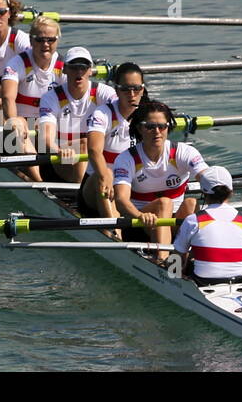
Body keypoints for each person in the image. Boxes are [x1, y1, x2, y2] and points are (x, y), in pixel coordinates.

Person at [111, 100, 208, 259]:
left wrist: (218, 190)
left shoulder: (183, 152)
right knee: (164, 203)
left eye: (162, 126)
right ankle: (164, 262)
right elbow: (121, 200)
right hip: (140, 225)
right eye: (150, 126)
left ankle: (184, 260)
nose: (157, 131)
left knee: (191, 203)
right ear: (140, 128)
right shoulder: (127, 159)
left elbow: (205, 176)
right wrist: (139, 216)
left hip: (174, 223)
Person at [36, 47, 117, 183]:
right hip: (60, 159)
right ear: (65, 70)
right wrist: (58, 150)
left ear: (90, 70)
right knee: (85, 143)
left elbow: (124, 116)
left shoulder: (106, 93)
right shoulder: (51, 97)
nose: (79, 72)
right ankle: (79, 191)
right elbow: (47, 136)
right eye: (73, 67)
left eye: (83, 67)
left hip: (95, 158)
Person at [172, 166, 242, 286]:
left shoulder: (194, 220)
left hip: (202, 282)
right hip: (239, 282)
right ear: (231, 191)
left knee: (176, 260)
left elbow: (177, 257)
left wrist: (172, 274)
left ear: (203, 193)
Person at [0, 17, 63, 180]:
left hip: (48, 128)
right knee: (18, 124)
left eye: (50, 39)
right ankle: (39, 183)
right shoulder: (17, 63)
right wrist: (13, 119)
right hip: (20, 128)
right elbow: (7, 98)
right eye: (40, 39)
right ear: (31, 40)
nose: (45, 44)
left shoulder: (64, 66)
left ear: (57, 40)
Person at [79, 62, 145, 220]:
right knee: (106, 174)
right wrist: (105, 176)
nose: (131, 94)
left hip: (129, 188)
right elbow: (94, 151)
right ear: (116, 90)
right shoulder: (102, 114)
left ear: (142, 89)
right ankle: (115, 234)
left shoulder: (148, 116)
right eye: (125, 89)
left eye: (136, 89)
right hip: (98, 187)